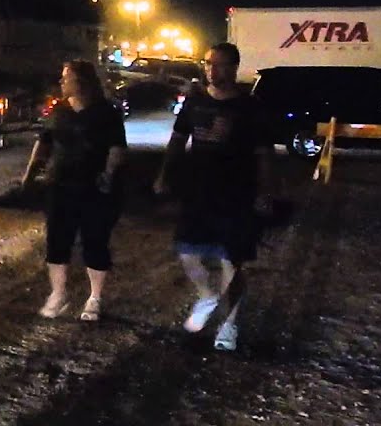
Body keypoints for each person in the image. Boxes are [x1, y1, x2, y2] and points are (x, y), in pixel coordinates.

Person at [153, 42, 276, 351]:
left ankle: (229, 325)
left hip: (237, 193)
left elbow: (263, 153)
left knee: (230, 261)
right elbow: (177, 141)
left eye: (220, 65)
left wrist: (265, 191)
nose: (212, 70)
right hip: (198, 190)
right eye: (208, 63)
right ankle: (208, 296)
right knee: (187, 252)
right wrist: (165, 175)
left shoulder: (251, 107)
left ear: (234, 68)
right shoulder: (194, 103)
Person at [18, 59, 127, 321]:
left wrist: (108, 175)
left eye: (66, 78)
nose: (61, 82)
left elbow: (117, 148)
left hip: (93, 187)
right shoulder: (59, 112)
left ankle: (95, 298)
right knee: (57, 242)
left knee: (94, 242)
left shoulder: (106, 113)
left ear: (82, 82)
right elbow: (44, 143)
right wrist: (30, 173)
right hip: (60, 185)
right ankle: (58, 294)